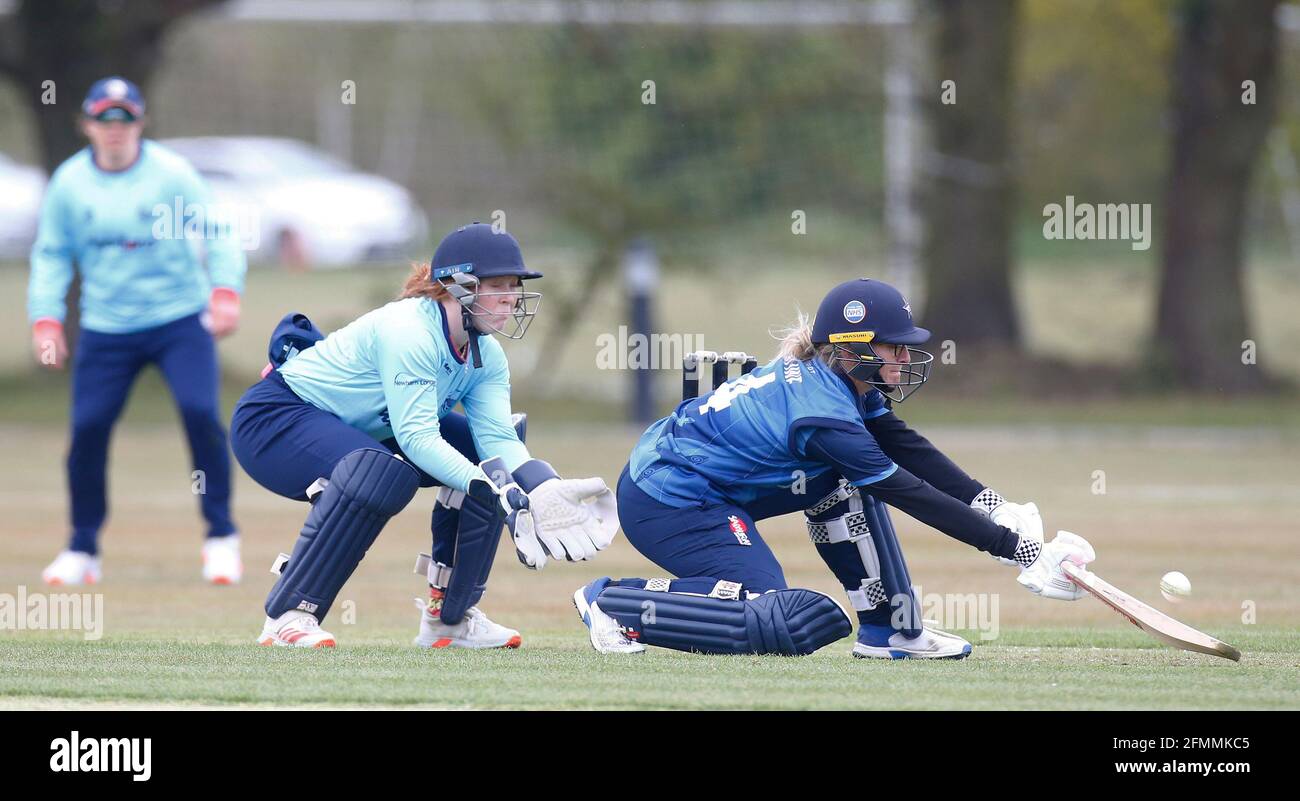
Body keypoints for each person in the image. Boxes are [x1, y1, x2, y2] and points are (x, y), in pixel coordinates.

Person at [574, 278, 1096, 658]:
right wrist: (1016, 550)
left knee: (840, 482)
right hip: (668, 499)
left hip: (709, 485)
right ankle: (614, 602)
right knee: (765, 606)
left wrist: (992, 504)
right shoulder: (823, 414)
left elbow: (903, 444)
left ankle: (890, 630)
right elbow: (905, 489)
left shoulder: (841, 380)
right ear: (853, 349)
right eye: (895, 347)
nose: (905, 357)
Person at [230, 223, 618, 648]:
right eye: (498, 285)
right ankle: (288, 616)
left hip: (364, 429)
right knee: (380, 473)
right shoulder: (410, 330)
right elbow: (416, 439)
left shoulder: (486, 353)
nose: (511, 296)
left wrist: (541, 486)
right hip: (274, 419)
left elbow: (497, 441)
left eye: (514, 285)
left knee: (480, 457)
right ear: (457, 286)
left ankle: (448, 618)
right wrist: (498, 490)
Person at [28, 76, 247, 586]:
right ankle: (82, 547)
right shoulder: (69, 183)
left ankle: (220, 536)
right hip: (106, 328)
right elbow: (51, 255)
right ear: (87, 125)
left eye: (125, 119)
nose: (115, 129)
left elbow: (217, 230)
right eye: (105, 119)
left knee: (199, 413)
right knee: (88, 429)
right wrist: (46, 319)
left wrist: (225, 292)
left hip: (177, 320)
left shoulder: (172, 174)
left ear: (140, 124)